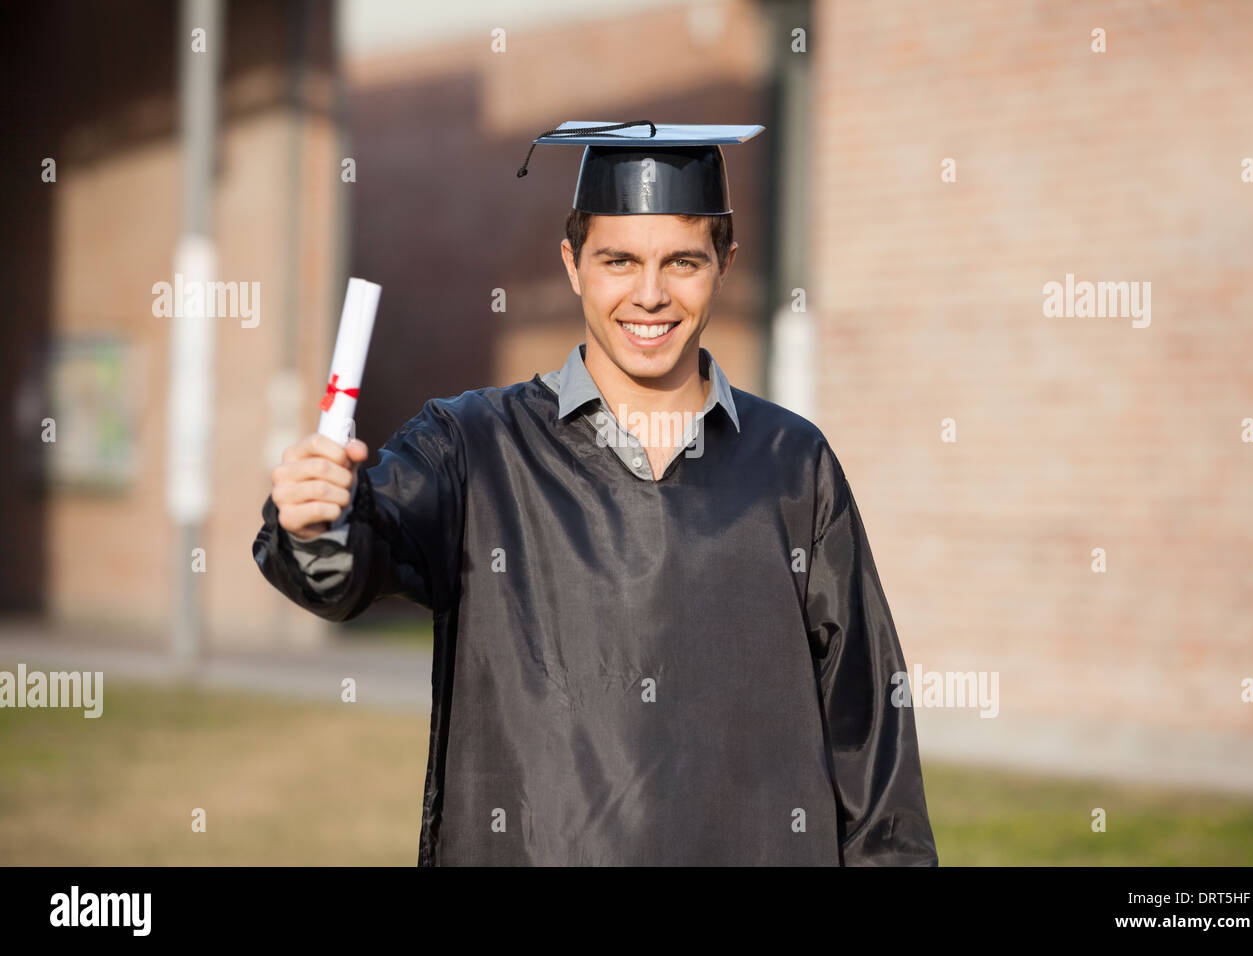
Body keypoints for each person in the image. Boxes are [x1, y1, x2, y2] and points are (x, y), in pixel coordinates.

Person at [252, 121, 939, 866]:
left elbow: (869, 730)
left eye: (682, 261)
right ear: (573, 263)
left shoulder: (793, 464)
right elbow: (352, 565)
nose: (650, 295)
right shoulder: (474, 448)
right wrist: (318, 520)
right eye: (618, 260)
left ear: (725, 263)